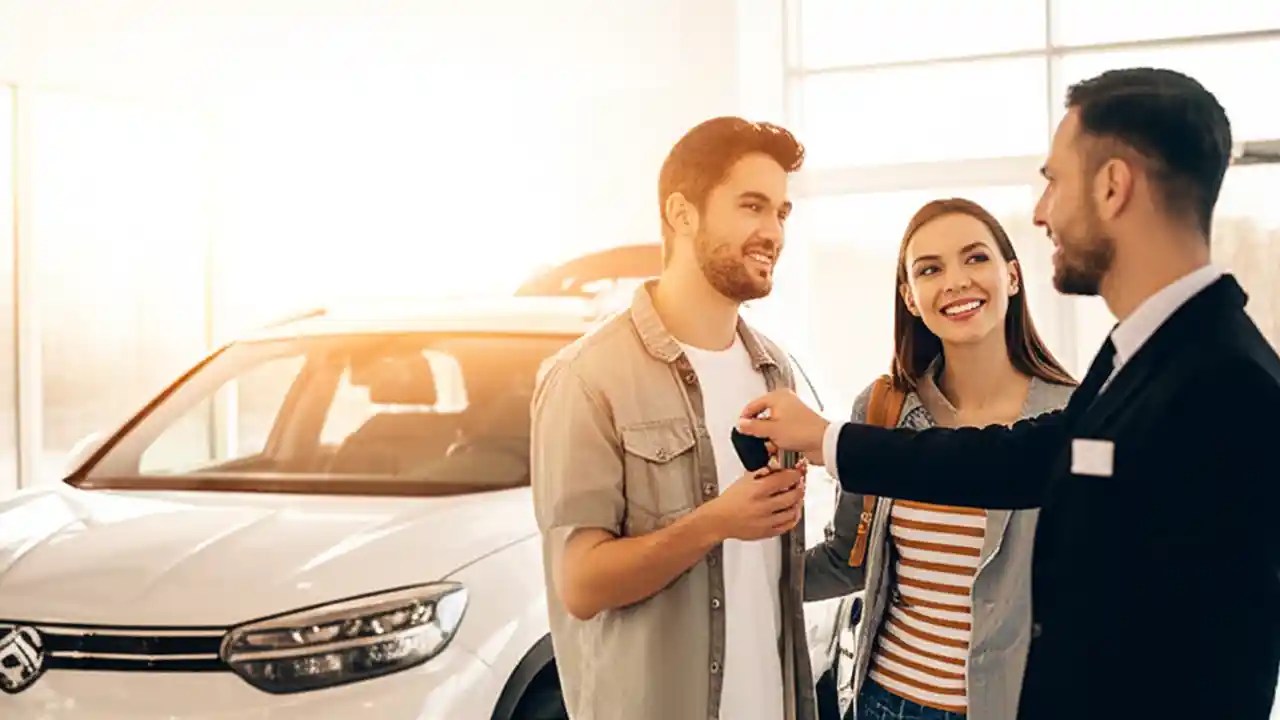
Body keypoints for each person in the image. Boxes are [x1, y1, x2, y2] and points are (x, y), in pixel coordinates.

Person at [739, 67, 1280, 719]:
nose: (1042, 210)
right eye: (929, 268)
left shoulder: (1231, 383)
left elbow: (1225, 659)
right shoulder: (1137, 354)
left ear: (1112, 187)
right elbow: (1018, 463)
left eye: (1053, 180)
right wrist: (824, 441)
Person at [531, 116, 818, 720]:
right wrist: (714, 522)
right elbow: (580, 584)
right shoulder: (587, 378)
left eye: (782, 213)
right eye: (752, 206)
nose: (773, 232)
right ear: (683, 214)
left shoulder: (775, 371)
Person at [804, 198, 1075, 720]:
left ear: (1013, 276)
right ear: (909, 297)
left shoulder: (1074, 416)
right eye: (929, 269)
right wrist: (733, 565)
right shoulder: (882, 410)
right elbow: (847, 562)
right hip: (888, 704)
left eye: (975, 259)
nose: (954, 281)